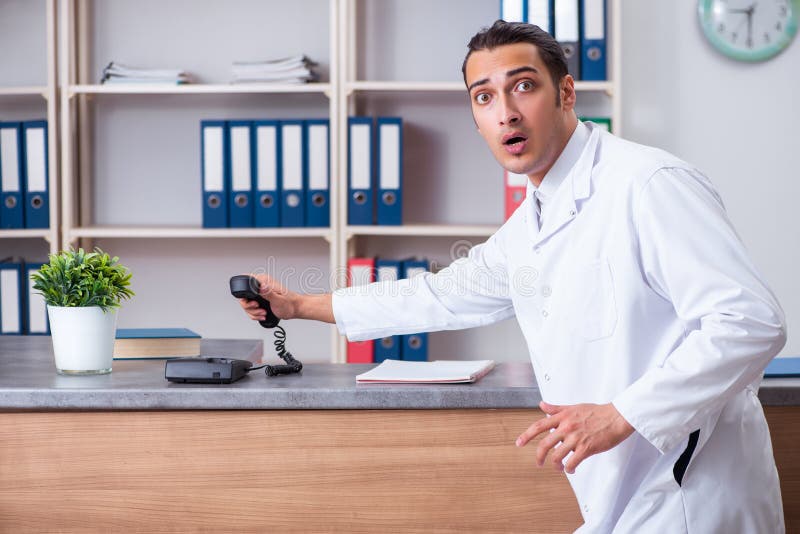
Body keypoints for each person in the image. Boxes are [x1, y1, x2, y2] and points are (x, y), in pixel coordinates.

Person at [240, 20, 787, 533]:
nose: (505, 112)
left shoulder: (648, 184)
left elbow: (748, 323)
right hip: (630, 490)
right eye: (484, 97)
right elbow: (440, 295)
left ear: (566, 93)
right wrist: (299, 307)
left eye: (523, 86)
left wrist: (624, 414)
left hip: (692, 496)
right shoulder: (532, 223)